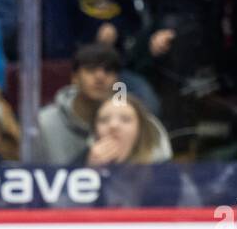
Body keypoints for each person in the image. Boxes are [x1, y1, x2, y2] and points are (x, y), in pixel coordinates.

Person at [36, 42, 171, 165]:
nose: (100, 76)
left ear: (117, 80)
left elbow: (166, 181)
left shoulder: (145, 123)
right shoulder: (43, 123)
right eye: (90, 69)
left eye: (108, 70)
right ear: (74, 78)